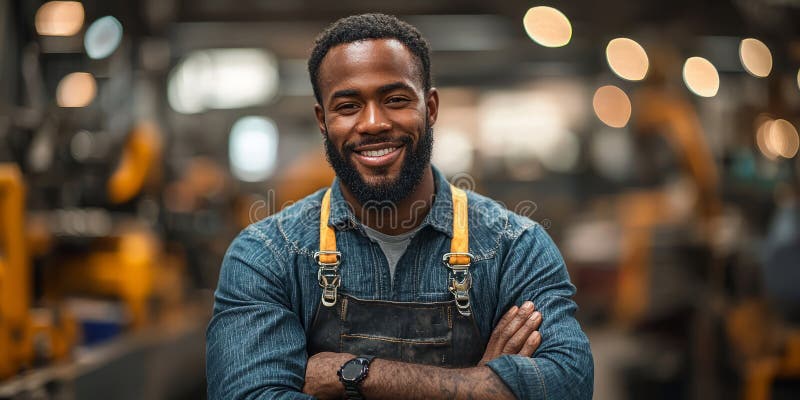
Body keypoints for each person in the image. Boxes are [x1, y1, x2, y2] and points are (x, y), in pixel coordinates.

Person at [206, 13, 593, 399]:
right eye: (348, 106)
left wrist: (354, 375)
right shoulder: (266, 255)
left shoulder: (514, 248)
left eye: (395, 100)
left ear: (431, 108)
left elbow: (569, 384)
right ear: (323, 120)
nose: (374, 123)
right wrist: (478, 386)